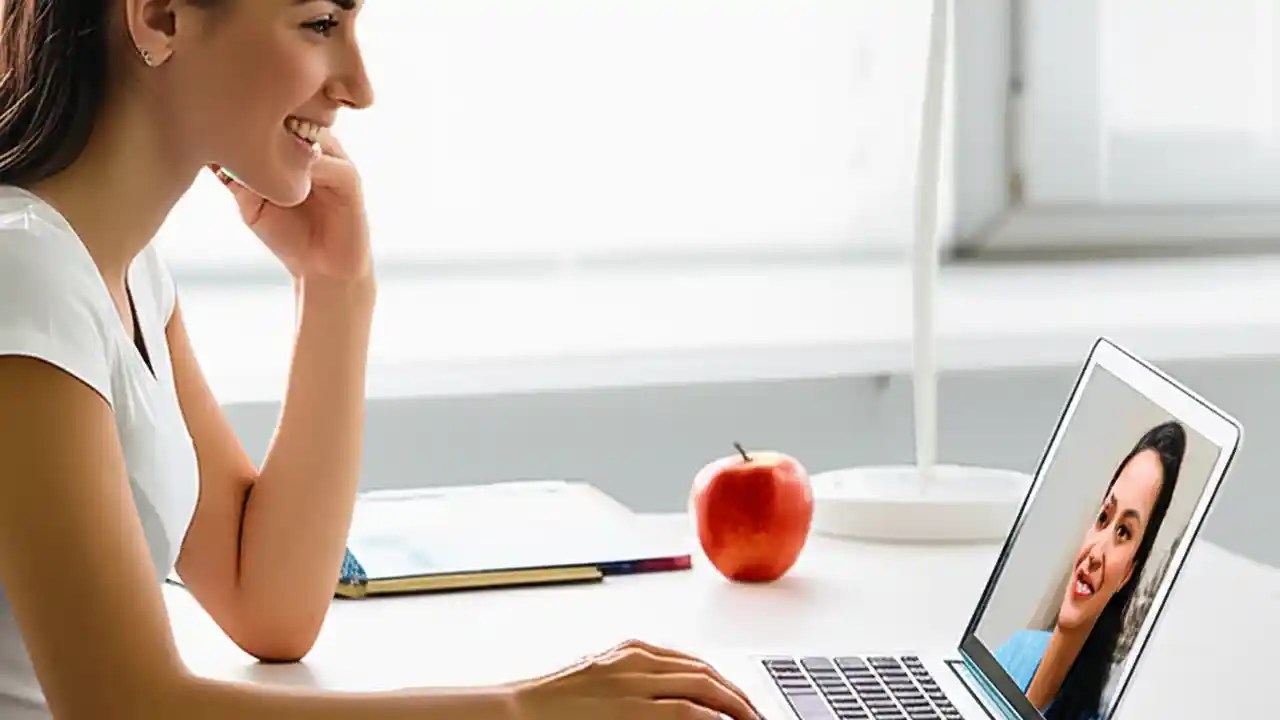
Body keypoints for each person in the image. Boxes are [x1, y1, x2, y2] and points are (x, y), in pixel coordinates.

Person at [0, 2, 761, 719]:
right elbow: (123, 707)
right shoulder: (26, 272)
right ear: (159, 16)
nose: (358, 87)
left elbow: (269, 603)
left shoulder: (122, 270)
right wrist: (519, 710)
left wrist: (335, 286)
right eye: (319, 23)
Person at [994, 421, 1186, 720]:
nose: (1096, 553)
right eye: (1104, 517)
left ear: (1128, 574)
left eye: (1124, 532)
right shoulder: (1017, 650)